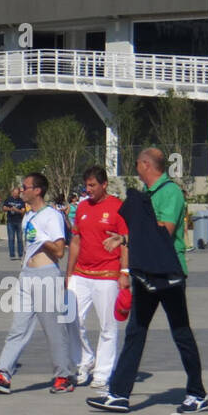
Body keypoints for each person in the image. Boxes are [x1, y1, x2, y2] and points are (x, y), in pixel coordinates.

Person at [88, 148, 208, 414]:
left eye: (137, 164)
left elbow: (164, 231)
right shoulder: (147, 195)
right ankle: (119, 394)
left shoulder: (170, 192)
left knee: (181, 332)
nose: (136, 168)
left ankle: (197, 393)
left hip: (168, 271)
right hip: (146, 270)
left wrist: (126, 238)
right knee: (135, 331)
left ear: (146, 164)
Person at [0, 172, 77, 395]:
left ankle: (63, 376)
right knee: (18, 328)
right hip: (27, 275)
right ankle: (4, 374)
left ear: (38, 190)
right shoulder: (27, 217)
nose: (21, 190)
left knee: (54, 330)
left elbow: (60, 250)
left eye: (26, 187)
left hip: (46, 276)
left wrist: (43, 241)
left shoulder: (51, 216)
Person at [67, 165, 130, 389]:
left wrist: (125, 272)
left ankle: (103, 373)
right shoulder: (82, 207)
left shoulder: (118, 207)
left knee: (107, 326)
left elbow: (125, 242)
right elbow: (75, 241)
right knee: (70, 318)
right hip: (81, 273)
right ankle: (83, 362)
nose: (88, 189)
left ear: (104, 184)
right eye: (86, 185)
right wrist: (69, 273)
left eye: (92, 185)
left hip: (107, 275)